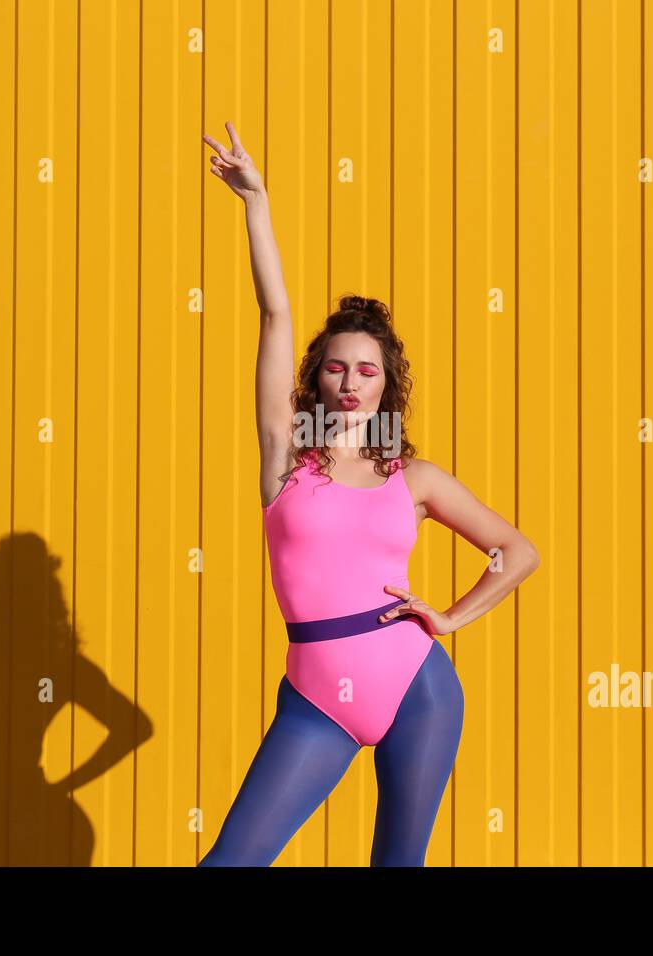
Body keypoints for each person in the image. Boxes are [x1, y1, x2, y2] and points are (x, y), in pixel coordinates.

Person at [197, 122, 540, 866]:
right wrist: (256, 203)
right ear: (316, 376)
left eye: (368, 371)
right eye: (337, 368)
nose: (351, 383)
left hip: (419, 687)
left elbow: (517, 552)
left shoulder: (415, 481)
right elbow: (276, 315)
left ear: (387, 385)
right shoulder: (286, 458)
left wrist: (449, 618)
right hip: (317, 699)